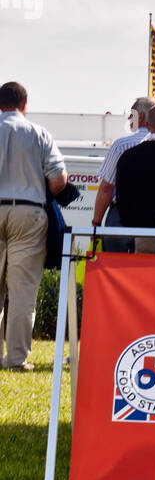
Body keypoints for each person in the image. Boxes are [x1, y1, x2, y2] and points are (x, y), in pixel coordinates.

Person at [0, 81, 68, 371]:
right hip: (28, 212)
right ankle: (16, 359)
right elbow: (58, 180)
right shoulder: (39, 133)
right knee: (22, 291)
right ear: (24, 104)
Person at [91, 96, 155, 250]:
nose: (128, 117)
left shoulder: (121, 145)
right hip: (152, 217)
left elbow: (106, 188)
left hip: (120, 216)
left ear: (141, 117)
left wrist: (96, 222)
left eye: (132, 114)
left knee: (115, 266)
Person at [114, 104, 155, 253]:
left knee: (143, 274)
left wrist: (130, 224)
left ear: (147, 125)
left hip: (142, 232)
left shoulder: (128, 156)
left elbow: (121, 198)